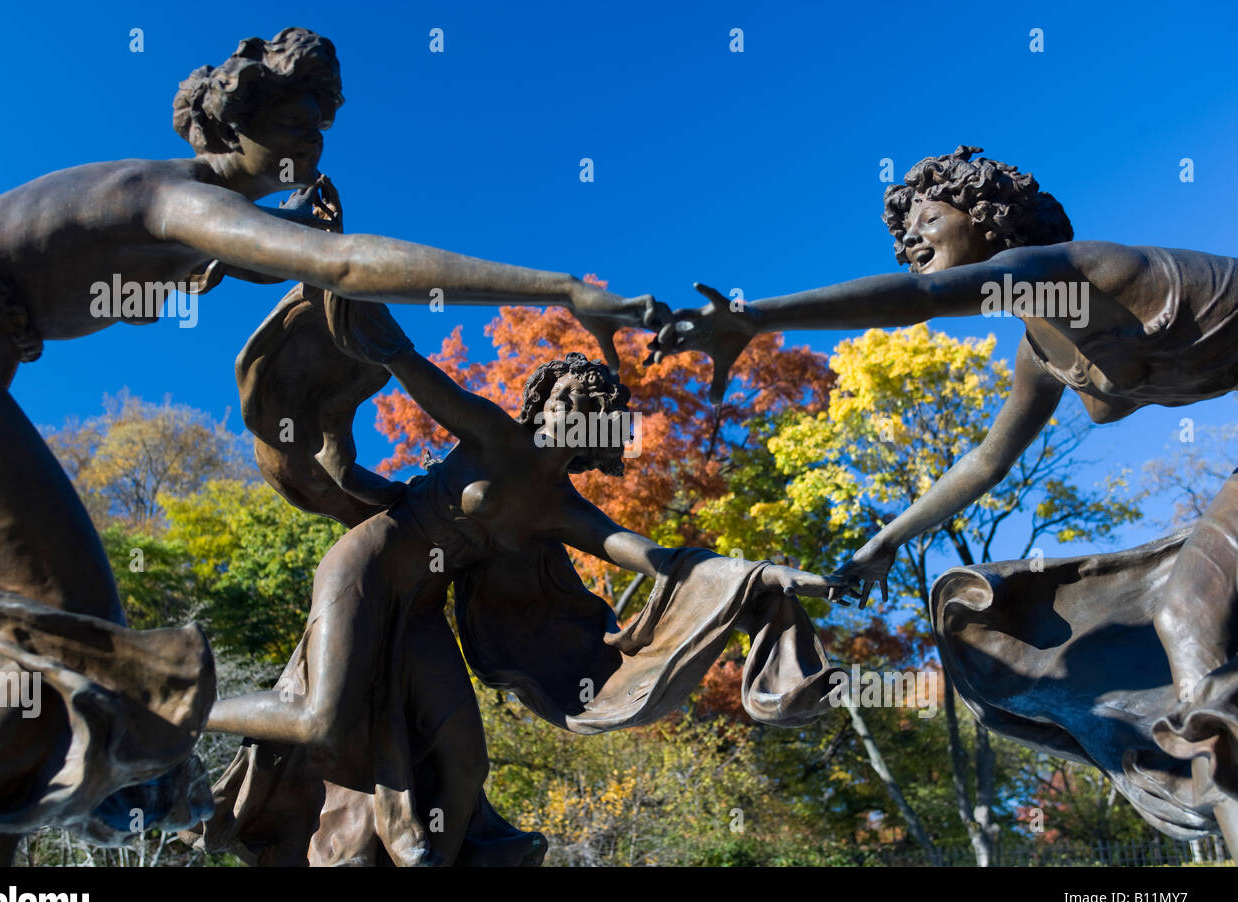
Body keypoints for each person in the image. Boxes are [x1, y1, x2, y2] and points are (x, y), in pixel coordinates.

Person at [0, 26, 659, 865]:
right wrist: (562, 289)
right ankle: (137, 744)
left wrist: (293, 235)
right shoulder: (179, 199)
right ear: (231, 124)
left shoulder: (176, 207)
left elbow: (269, 258)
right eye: (293, 126)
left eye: (321, 126)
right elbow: (347, 267)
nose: (312, 143)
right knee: (80, 650)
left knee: (36, 668)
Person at [648, 145, 1238, 850]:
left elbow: (917, 303)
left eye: (928, 219)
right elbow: (988, 460)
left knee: (1184, 614)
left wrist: (755, 317)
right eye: (903, 239)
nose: (911, 244)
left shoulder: (1072, 273)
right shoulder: (1040, 349)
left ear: (990, 220)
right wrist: (884, 542)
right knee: (1044, 643)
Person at [187, 292, 851, 866]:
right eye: (563, 396)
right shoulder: (493, 435)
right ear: (542, 401)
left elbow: (659, 558)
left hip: (420, 609)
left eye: (586, 406)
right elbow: (409, 367)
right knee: (319, 719)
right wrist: (350, 291)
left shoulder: (562, 508)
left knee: (465, 765)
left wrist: (761, 574)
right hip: (366, 566)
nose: (570, 409)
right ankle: (173, 712)